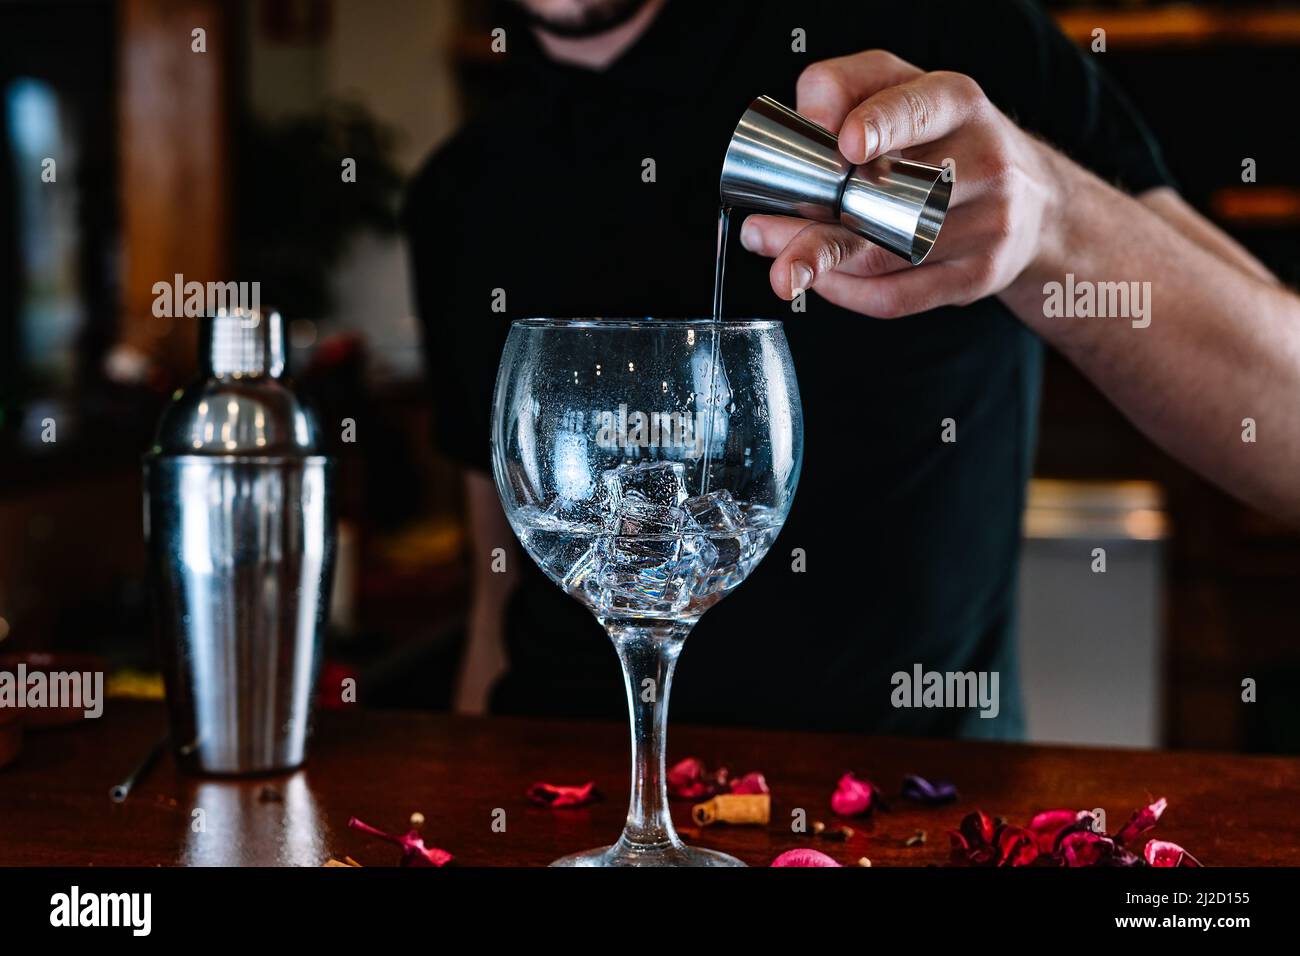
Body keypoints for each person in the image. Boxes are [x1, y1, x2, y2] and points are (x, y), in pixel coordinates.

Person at [402, 0, 1293, 738]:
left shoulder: (945, 44)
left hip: (911, 815)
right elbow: (503, 593)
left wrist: (1054, 222)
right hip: (563, 816)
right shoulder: (460, 190)